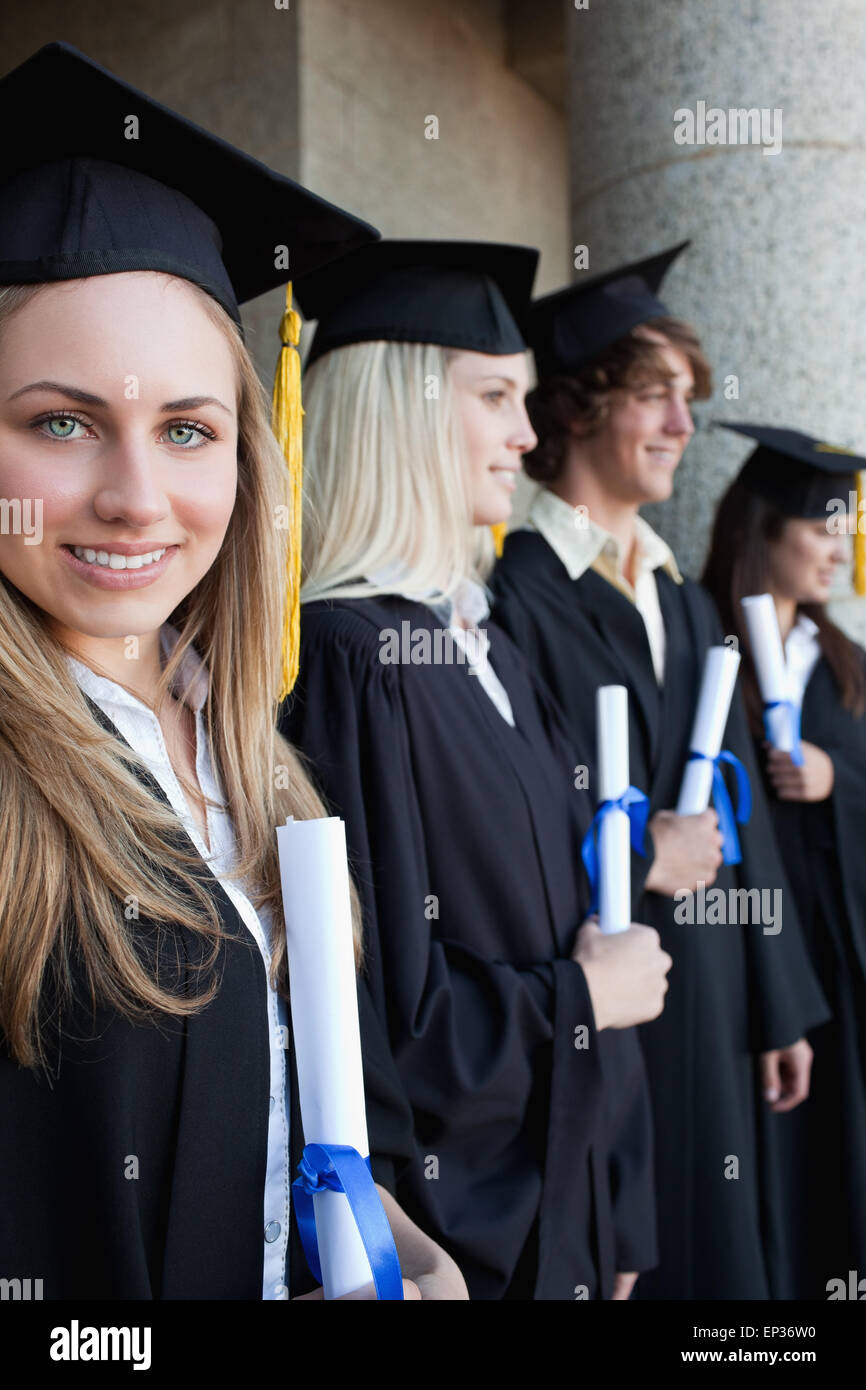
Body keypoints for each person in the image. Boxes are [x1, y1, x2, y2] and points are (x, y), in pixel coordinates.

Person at [0, 41, 466, 1301]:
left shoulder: (252, 755)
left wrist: (400, 1245)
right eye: (59, 420)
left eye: (187, 429)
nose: (135, 498)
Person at [280, 238, 673, 1300]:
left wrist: (614, 1207)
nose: (526, 433)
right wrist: (583, 996)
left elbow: (584, 926)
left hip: (569, 1219)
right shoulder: (348, 663)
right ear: (398, 413)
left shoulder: (489, 647)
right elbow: (383, 1022)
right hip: (462, 1243)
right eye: (495, 394)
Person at [491, 245, 829, 1299]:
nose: (684, 425)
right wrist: (638, 853)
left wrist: (775, 1003)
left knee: (723, 1263)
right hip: (606, 984)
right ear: (580, 404)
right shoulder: (512, 588)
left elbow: (751, 827)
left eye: (687, 399)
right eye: (655, 397)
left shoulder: (679, 599)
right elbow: (500, 810)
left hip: (715, 986)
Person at [703, 422, 866, 1299]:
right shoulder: (707, 650)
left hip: (838, 961)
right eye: (820, 527)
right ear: (761, 529)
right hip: (742, 955)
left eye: (847, 529)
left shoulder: (850, 669)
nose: (839, 549)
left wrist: (838, 781)